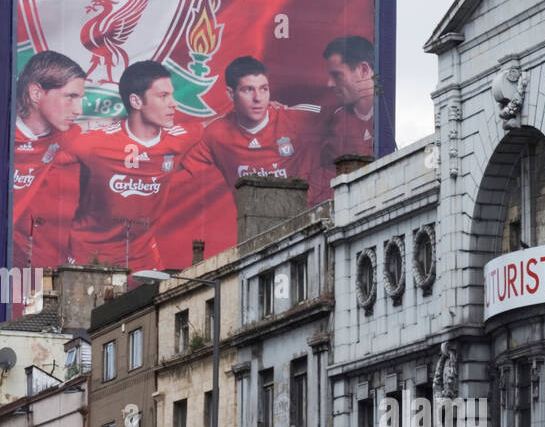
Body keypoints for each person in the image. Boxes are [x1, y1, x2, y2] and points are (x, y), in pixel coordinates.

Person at [45, 60, 194, 270]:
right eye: (163, 96)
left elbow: (217, 128)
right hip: (90, 258)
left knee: (154, 303)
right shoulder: (93, 143)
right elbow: (44, 149)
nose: (174, 103)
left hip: (144, 260)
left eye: (171, 95)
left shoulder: (183, 138)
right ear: (135, 101)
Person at [181, 55, 324, 200]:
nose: (258, 98)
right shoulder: (216, 133)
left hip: (307, 216)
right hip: (254, 220)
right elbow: (167, 160)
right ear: (231, 94)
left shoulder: (295, 118)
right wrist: (201, 126)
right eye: (248, 90)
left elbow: (343, 117)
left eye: (264, 89)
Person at [12, 51, 86, 267]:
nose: (79, 109)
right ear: (35, 93)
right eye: (70, 97)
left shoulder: (68, 136)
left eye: (80, 98)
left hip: (27, 261)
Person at [320, 36, 375, 166]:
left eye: (337, 75)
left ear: (364, 70)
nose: (330, 84)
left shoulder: (395, 114)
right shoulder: (333, 120)